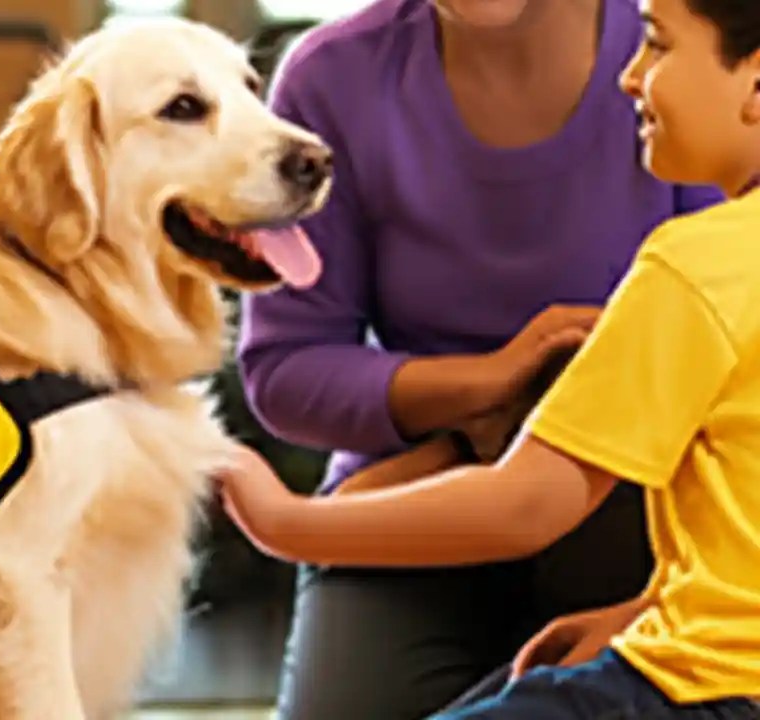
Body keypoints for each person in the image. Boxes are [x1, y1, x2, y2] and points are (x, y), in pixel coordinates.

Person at [223, 0, 760, 714]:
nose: (636, 78)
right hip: (425, 489)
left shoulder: (694, 52)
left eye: (658, 49)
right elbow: (288, 367)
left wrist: (281, 522)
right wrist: (485, 391)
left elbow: (534, 499)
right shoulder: (333, 77)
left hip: (632, 506)